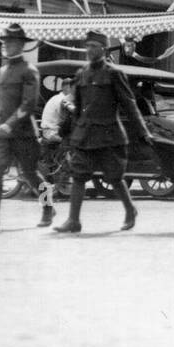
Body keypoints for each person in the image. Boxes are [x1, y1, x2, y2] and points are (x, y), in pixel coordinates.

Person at [53, 31, 151, 234]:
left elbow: (129, 104)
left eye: (94, 46)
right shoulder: (81, 74)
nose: (89, 50)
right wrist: (71, 132)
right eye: (87, 46)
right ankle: (73, 220)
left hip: (109, 135)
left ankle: (130, 210)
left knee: (114, 177)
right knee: (79, 176)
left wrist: (143, 131)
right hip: (86, 135)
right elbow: (78, 108)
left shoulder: (114, 73)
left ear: (104, 49)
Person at [0, 23, 54, 231]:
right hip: (2, 132)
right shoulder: (2, 70)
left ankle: (48, 207)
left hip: (24, 133)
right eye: (6, 42)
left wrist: (9, 125)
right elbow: (2, 104)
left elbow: (28, 104)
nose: (7, 45)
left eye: (12, 42)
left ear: (21, 45)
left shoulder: (29, 71)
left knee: (30, 174)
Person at [40, 77, 75, 144]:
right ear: (67, 88)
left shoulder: (56, 97)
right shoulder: (63, 99)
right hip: (53, 133)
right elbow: (70, 117)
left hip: (47, 132)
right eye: (74, 88)